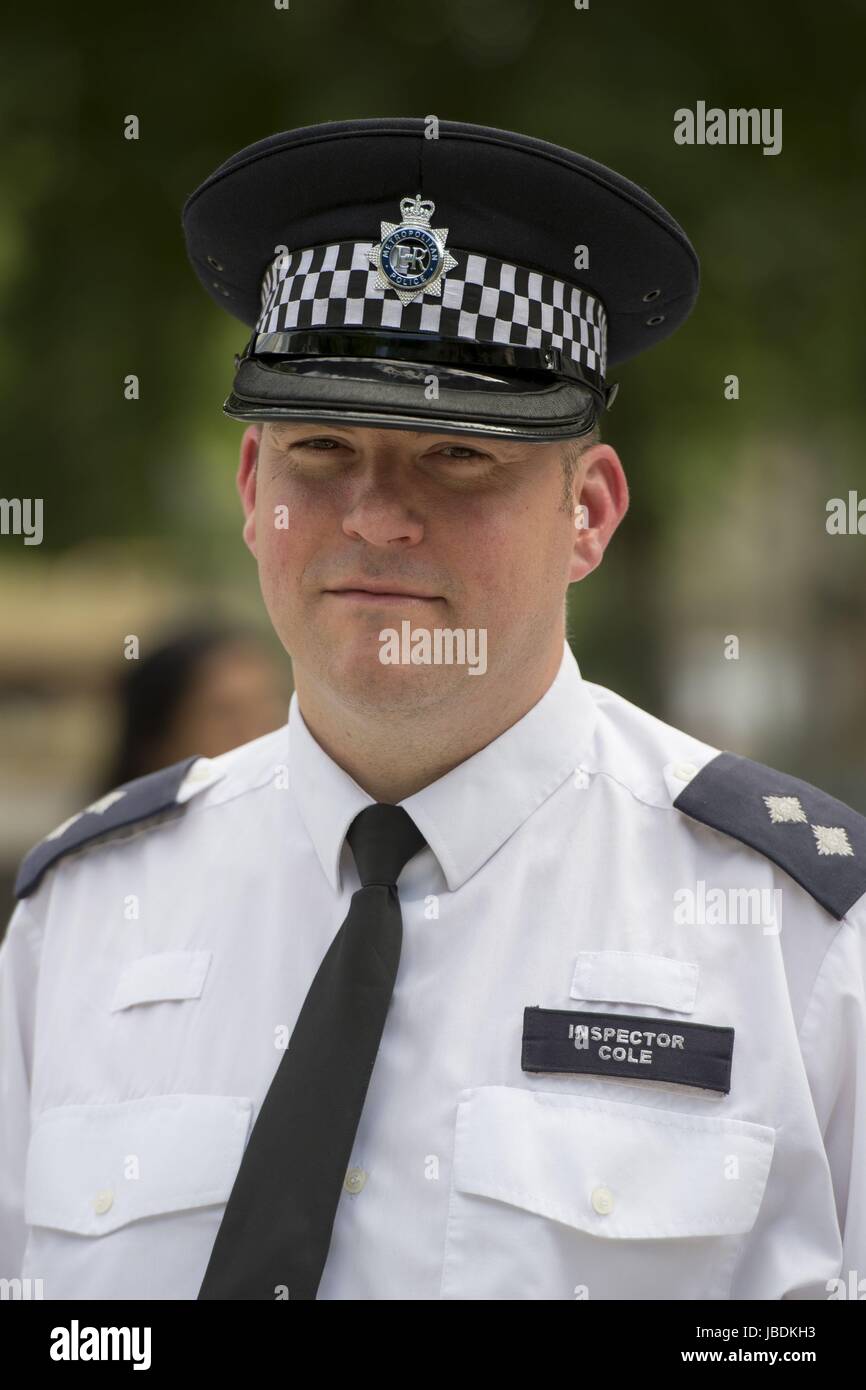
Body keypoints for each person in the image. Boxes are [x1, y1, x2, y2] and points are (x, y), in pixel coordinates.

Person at [0, 117, 863, 1302]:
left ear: (589, 512)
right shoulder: (80, 921)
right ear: (253, 492)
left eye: (459, 455)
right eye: (319, 447)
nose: (375, 517)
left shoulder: (798, 941)